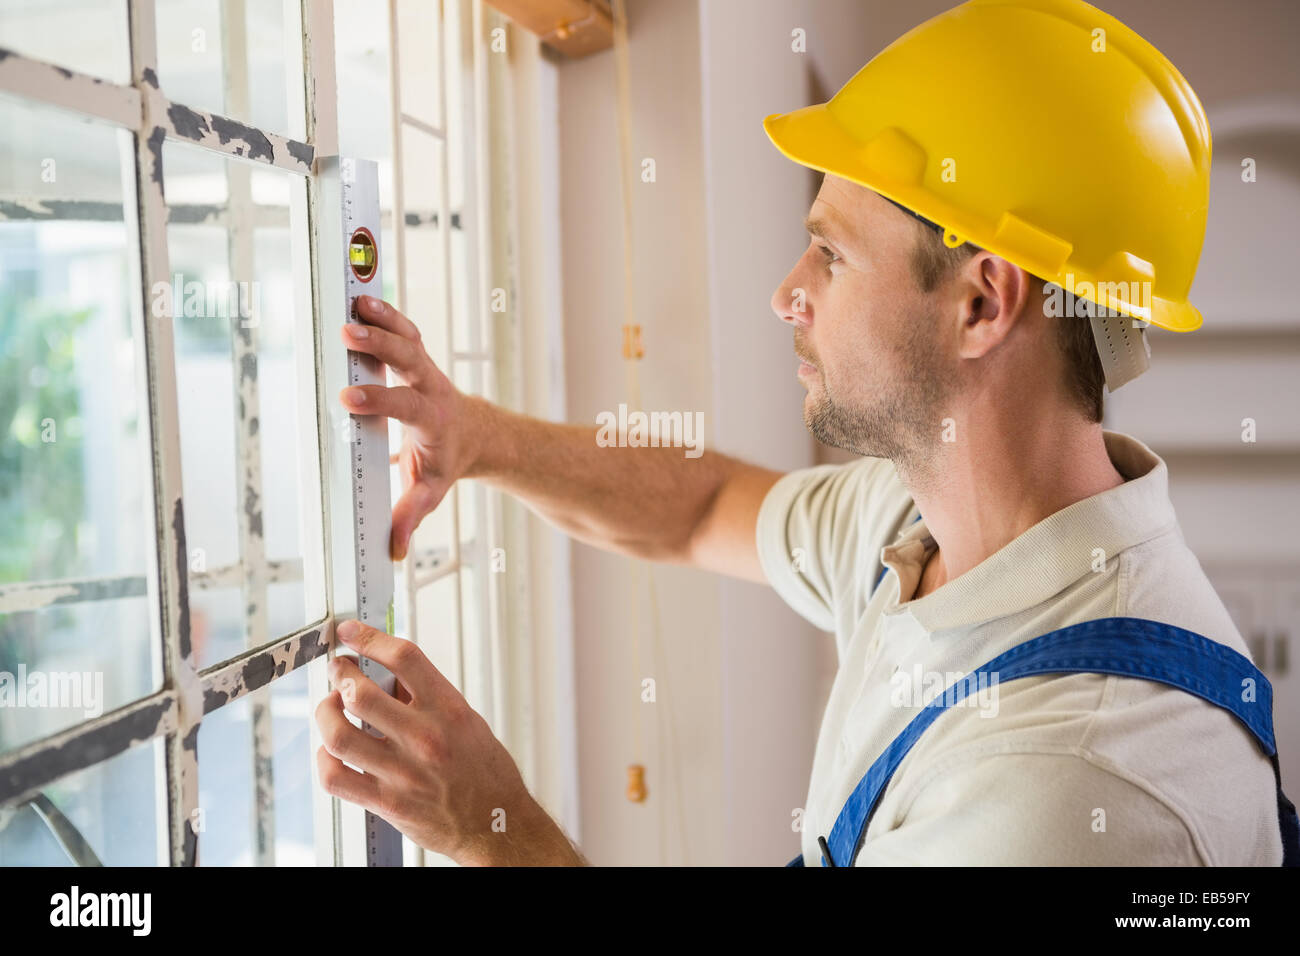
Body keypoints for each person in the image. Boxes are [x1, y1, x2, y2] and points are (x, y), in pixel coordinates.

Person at [314, 0, 1292, 866]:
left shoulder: (1069, 781)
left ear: (983, 301)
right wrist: (476, 436)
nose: (785, 292)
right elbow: (702, 508)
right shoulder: (925, 517)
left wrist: (494, 825)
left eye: (830, 253)